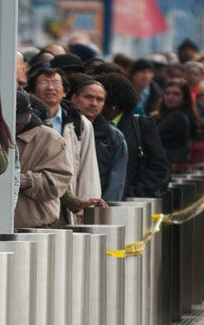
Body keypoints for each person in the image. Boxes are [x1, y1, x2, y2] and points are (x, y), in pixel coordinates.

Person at [26, 66, 103, 218]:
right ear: (32, 91)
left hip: (69, 202)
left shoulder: (79, 123)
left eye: (56, 83)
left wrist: (84, 209)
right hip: (35, 201)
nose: (50, 88)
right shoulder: (25, 122)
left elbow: (88, 168)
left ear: (65, 92)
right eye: (43, 83)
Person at [98, 73, 170, 198]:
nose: (95, 103)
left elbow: (159, 168)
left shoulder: (142, 125)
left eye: (100, 99)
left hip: (129, 203)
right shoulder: (90, 125)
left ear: (113, 103)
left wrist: (133, 193)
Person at [13, 91, 72, 228]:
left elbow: (57, 183)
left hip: (37, 225)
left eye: (19, 123)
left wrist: (21, 180)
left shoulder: (50, 139)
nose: (15, 126)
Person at [69, 74, 126, 201]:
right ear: (74, 98)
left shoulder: (114, 137)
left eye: (99, 99)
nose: (93, 103)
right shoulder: (64, 129)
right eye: (88, 97)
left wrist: (103, 211)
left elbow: (116, 182)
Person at [152, 79, 196, 171]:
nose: (170, 97)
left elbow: (154, 137)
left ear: (184, 99)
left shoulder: (178, 116)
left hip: (171, 167)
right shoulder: (167, 115)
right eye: (167, 93)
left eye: (176, 94)